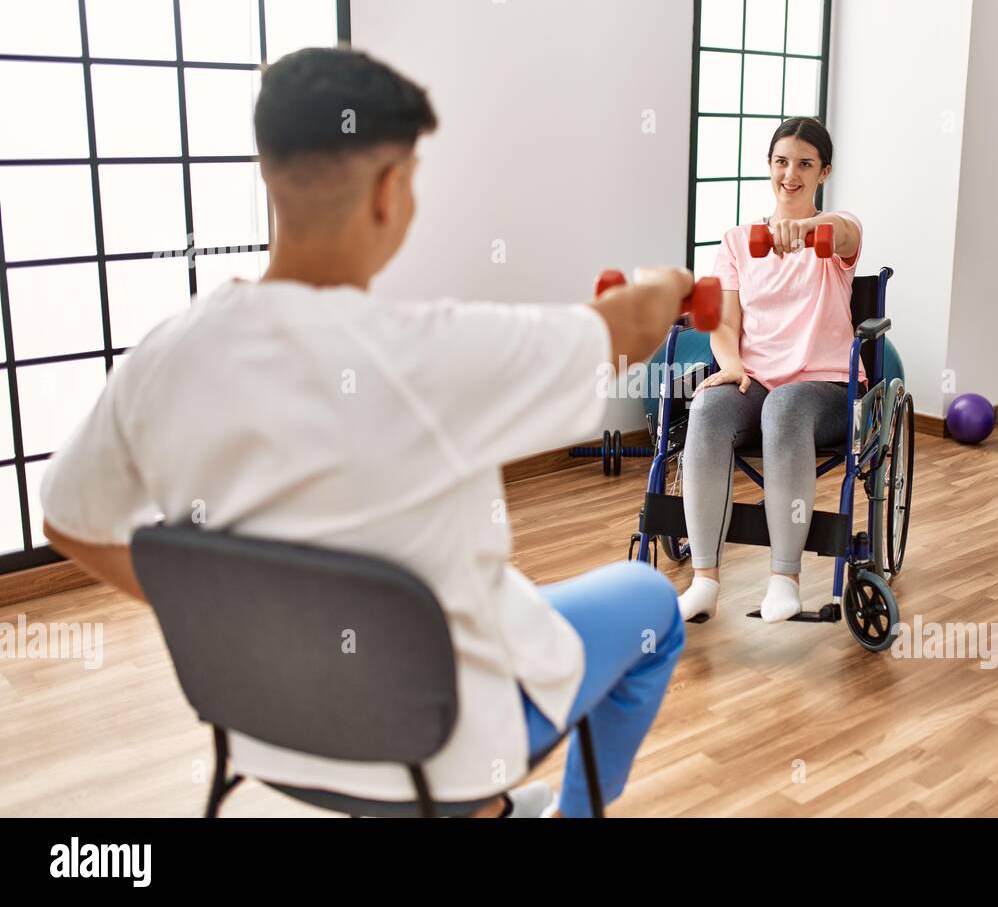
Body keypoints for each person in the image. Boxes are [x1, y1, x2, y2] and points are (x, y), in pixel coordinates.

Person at [40, 47, 693, 819]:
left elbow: (67, 518)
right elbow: (632, 326)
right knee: (652, 600)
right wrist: (669, 283)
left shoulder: (166, 354)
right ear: (392, 189)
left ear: (267, 170)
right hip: (448, 747)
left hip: (264, 733)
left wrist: (227, 620)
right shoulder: (441, 349)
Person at [677, 117, 865, 625]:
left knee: (785, 406)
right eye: (782, 162)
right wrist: (732, 365)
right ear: (769, 166)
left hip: (825, 388)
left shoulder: (836, 232)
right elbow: (723, 319)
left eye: (805, 164)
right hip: (756, 381)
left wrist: (803, 231)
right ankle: (704, 580)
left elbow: (843, 234)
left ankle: (784, 579)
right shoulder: (738, 241)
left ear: (824, 171)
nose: (791, 174)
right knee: (709, 405)